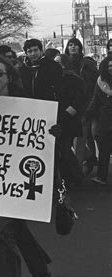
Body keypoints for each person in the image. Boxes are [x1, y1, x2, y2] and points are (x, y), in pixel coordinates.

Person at [0, 55, 54, 277]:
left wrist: (53, 132)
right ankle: (40, 270)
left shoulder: (28, 107)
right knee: (16, 231)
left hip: (22, 182)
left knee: (3, 233)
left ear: (9, 77)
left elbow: (47, 137)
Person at [65, 38, 99, 174]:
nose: (73, 47)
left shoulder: (87, 64)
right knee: (71, 138)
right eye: (70, 45)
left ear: (80, 48)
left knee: (81, 139)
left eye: (75, 45)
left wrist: (90, 106)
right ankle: (90, 157)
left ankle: (78, 171)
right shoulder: (65, 64)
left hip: (85, 107)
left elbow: (94, 86)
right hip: (70, 107)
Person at [53, 54, 86, 186]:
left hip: (69, 120)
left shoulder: (74, 79)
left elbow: (79, 100)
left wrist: (68, 113)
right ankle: (73, 176)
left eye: (58, 63)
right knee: (64, 149)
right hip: (60, 119)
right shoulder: (55, 79)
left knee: (66, 149)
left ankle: (76, 176)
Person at [85, 56, 112, 184]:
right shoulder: (101, 81)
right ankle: (101, 176)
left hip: (105, 118)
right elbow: (95, 100)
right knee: (104, 149)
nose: (111, 68)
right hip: (105, 120)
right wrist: (88, 114)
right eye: (109, 66)